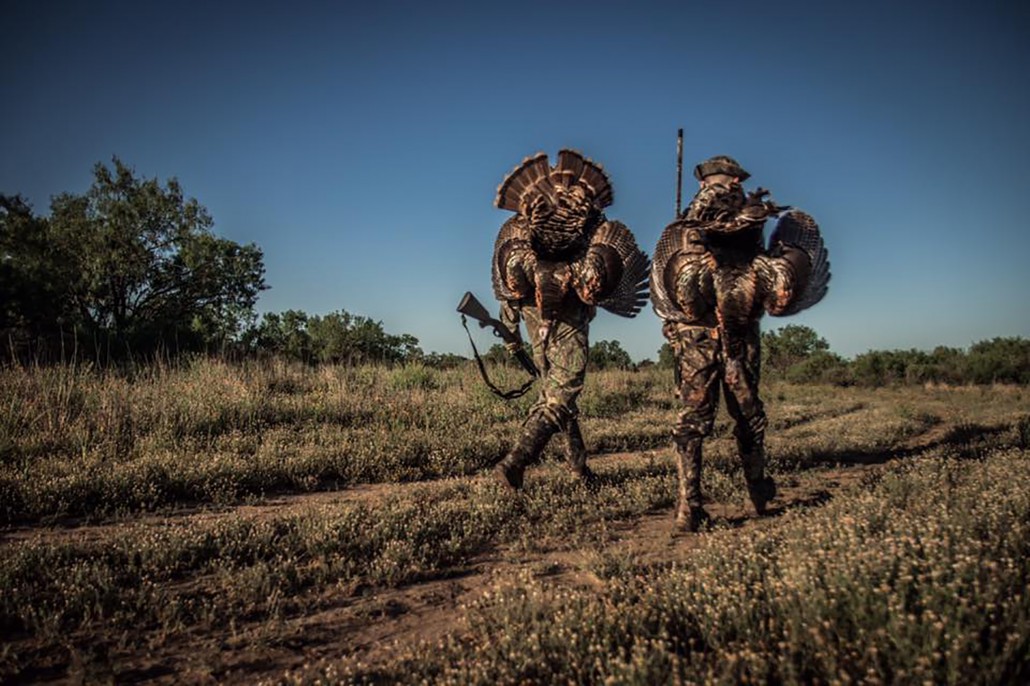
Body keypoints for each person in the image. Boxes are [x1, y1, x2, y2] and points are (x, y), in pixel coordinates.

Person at [650, 155, 830, 531]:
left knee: (692, 420)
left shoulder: (688, 223)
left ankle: (689, 505)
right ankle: (758, 490)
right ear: (735, 181)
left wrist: (671, 324)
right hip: (739, 332)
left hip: (694, 336)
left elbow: (669, 286)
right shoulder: (750, 215)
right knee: (747, 414)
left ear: (704, 183)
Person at [491, 150, 649, 490]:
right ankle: (516, 461)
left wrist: (511, 320)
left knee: (556, 389)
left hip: (532, 302)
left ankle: (579, 469)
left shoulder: (520, 223)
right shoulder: (591, 220)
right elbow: (614, 253)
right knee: (564, 387)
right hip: (568, 303)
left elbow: (508, 276)